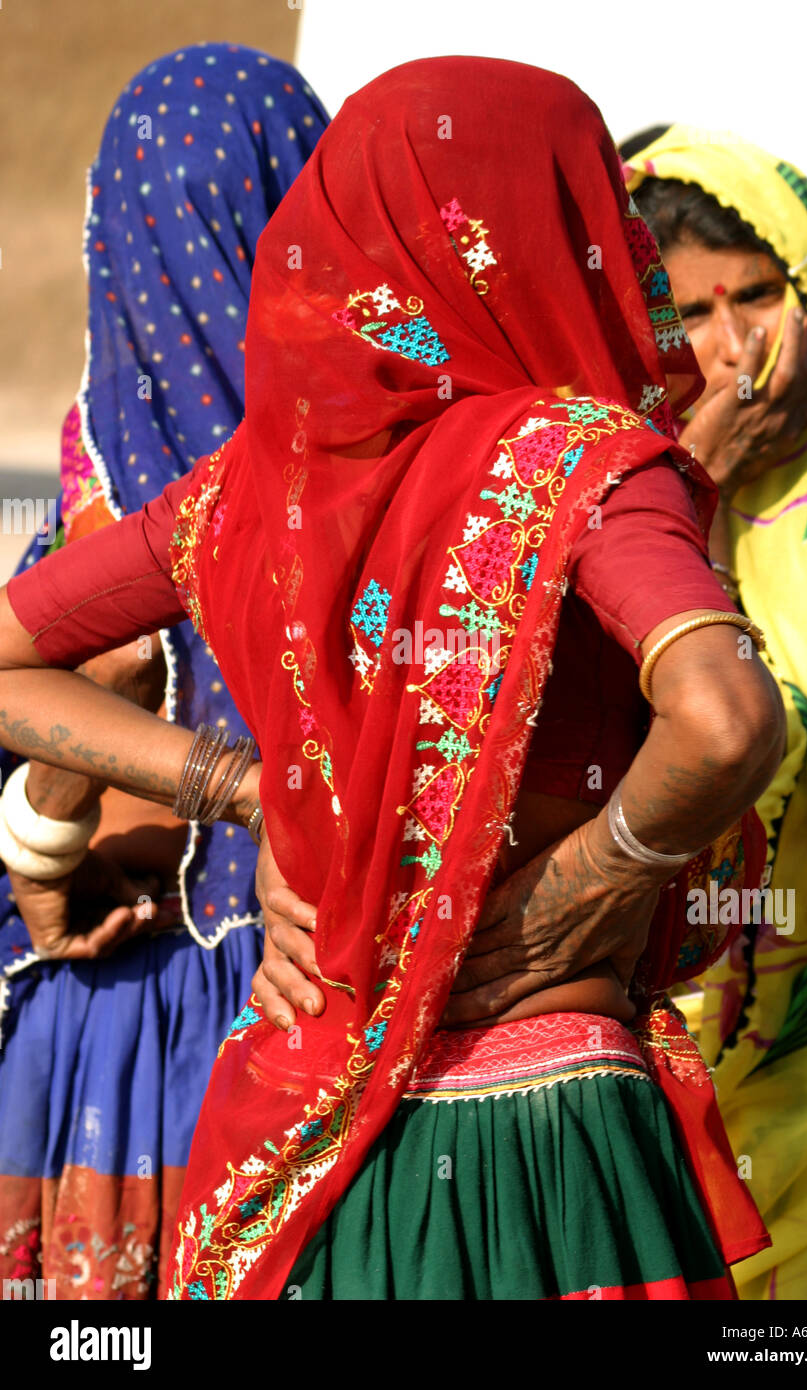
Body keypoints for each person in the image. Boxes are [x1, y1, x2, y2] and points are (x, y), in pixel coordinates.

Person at [0, 59, 786, 1301]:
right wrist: (591, 880)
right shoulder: (585, 466)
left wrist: (242, 787)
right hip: (545, 1155)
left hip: (302, 1149)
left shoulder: (242, 500)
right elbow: (726, 718)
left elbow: (12, 656)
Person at [0, 42, 328, 1299]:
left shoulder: (103, 485)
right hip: (319, 1004)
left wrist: (46, 838)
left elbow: (92, 715)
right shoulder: (414, 468)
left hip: (112, 1034)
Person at [623, 126, 807, 1300]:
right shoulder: (595, 519)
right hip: (659, 1092)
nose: (736, 353)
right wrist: (681, 490)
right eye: (688, 314)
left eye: (762, 298)